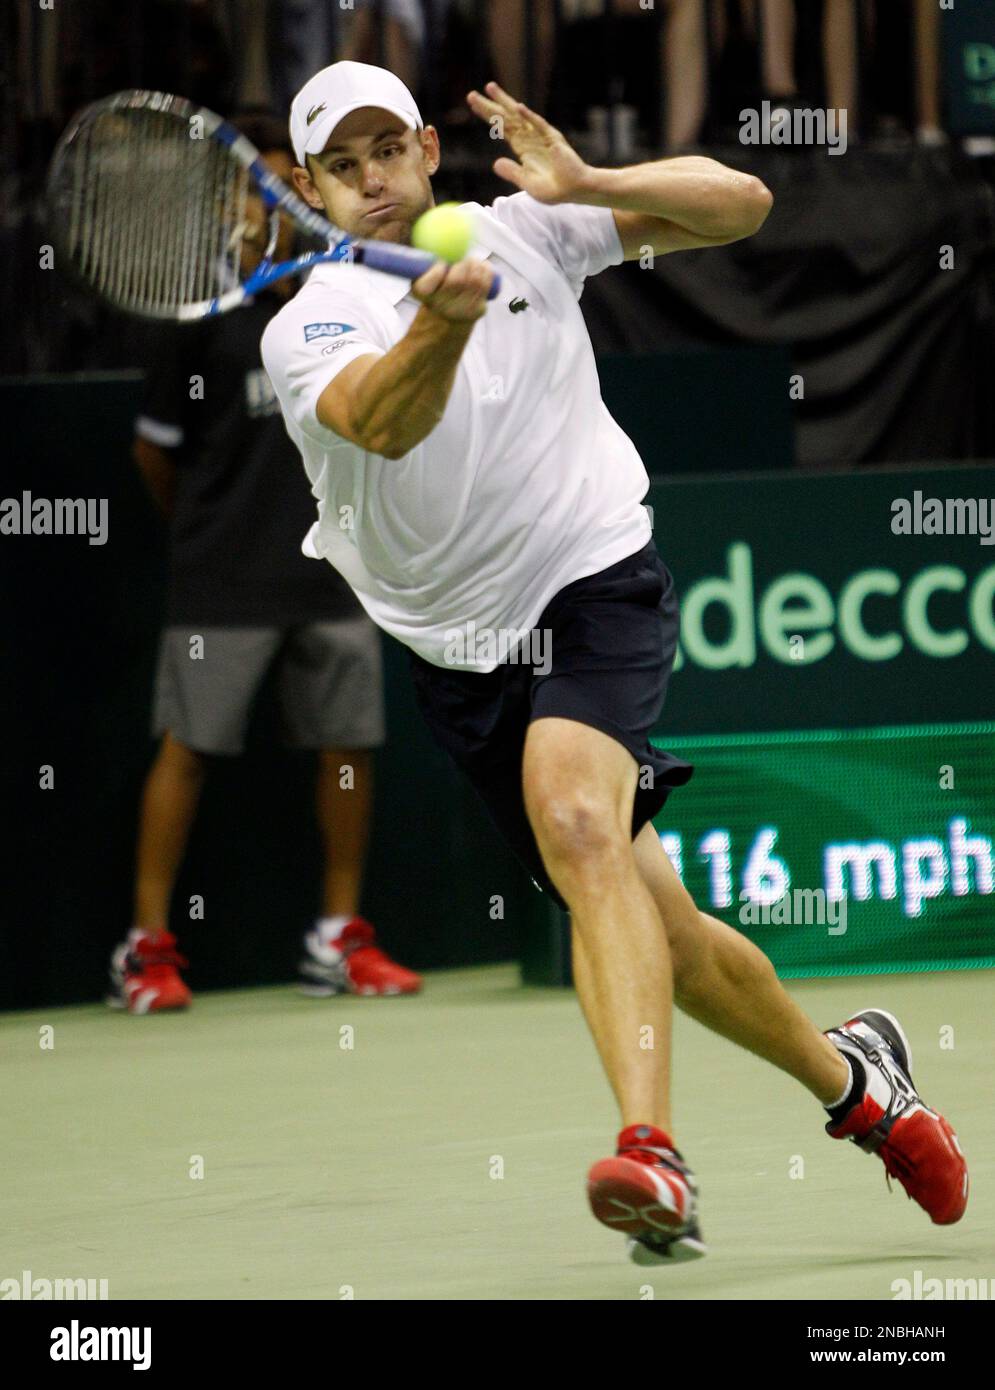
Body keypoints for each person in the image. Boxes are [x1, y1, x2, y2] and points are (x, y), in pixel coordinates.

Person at [261, 61, 968, 1261]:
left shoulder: (527, 227)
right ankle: (859, 1084)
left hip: (591, 572)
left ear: (430, 151)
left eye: (390, 149)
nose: (374, 179)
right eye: (344, 163)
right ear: (310, 187)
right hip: (460, 653)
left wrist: (588, 180)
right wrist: (442, 317)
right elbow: (384, 420)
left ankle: (651, 1152)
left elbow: (739, 202)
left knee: (579, 822)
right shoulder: (310, 322)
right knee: (668, 936)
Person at [107, 111, 422, 1015]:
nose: (276, 202)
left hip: (333, 574)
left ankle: (337, 938)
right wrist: (213, 534)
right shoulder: (197, 319)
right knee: (189, 749)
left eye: (293, 185)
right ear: (231, 206)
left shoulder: (349, 299)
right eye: (261, 186)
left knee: (349, 749)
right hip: (222, 579)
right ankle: (147, 947)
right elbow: (152, 455)